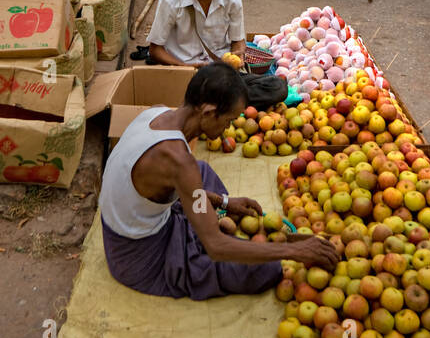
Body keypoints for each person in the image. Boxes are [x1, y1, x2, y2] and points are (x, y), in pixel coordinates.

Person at [99, 62, 337, 300]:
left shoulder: (158, 112)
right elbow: (216, 247)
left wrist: (224, 202)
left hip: (130, 225)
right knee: (266, 269)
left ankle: (212, 224)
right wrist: (295, 250)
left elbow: (182, 188)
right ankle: (213, 234)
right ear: (209, 112)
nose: (228, 128)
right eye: (228, 120)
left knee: (201, 171)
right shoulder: (178, 161)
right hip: (139, 258)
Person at [148, 0, 245, 67]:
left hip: (219, 65)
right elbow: (155, 50)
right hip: (183, 66)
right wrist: (185, 68)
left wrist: (238, 53)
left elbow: (238, 40)